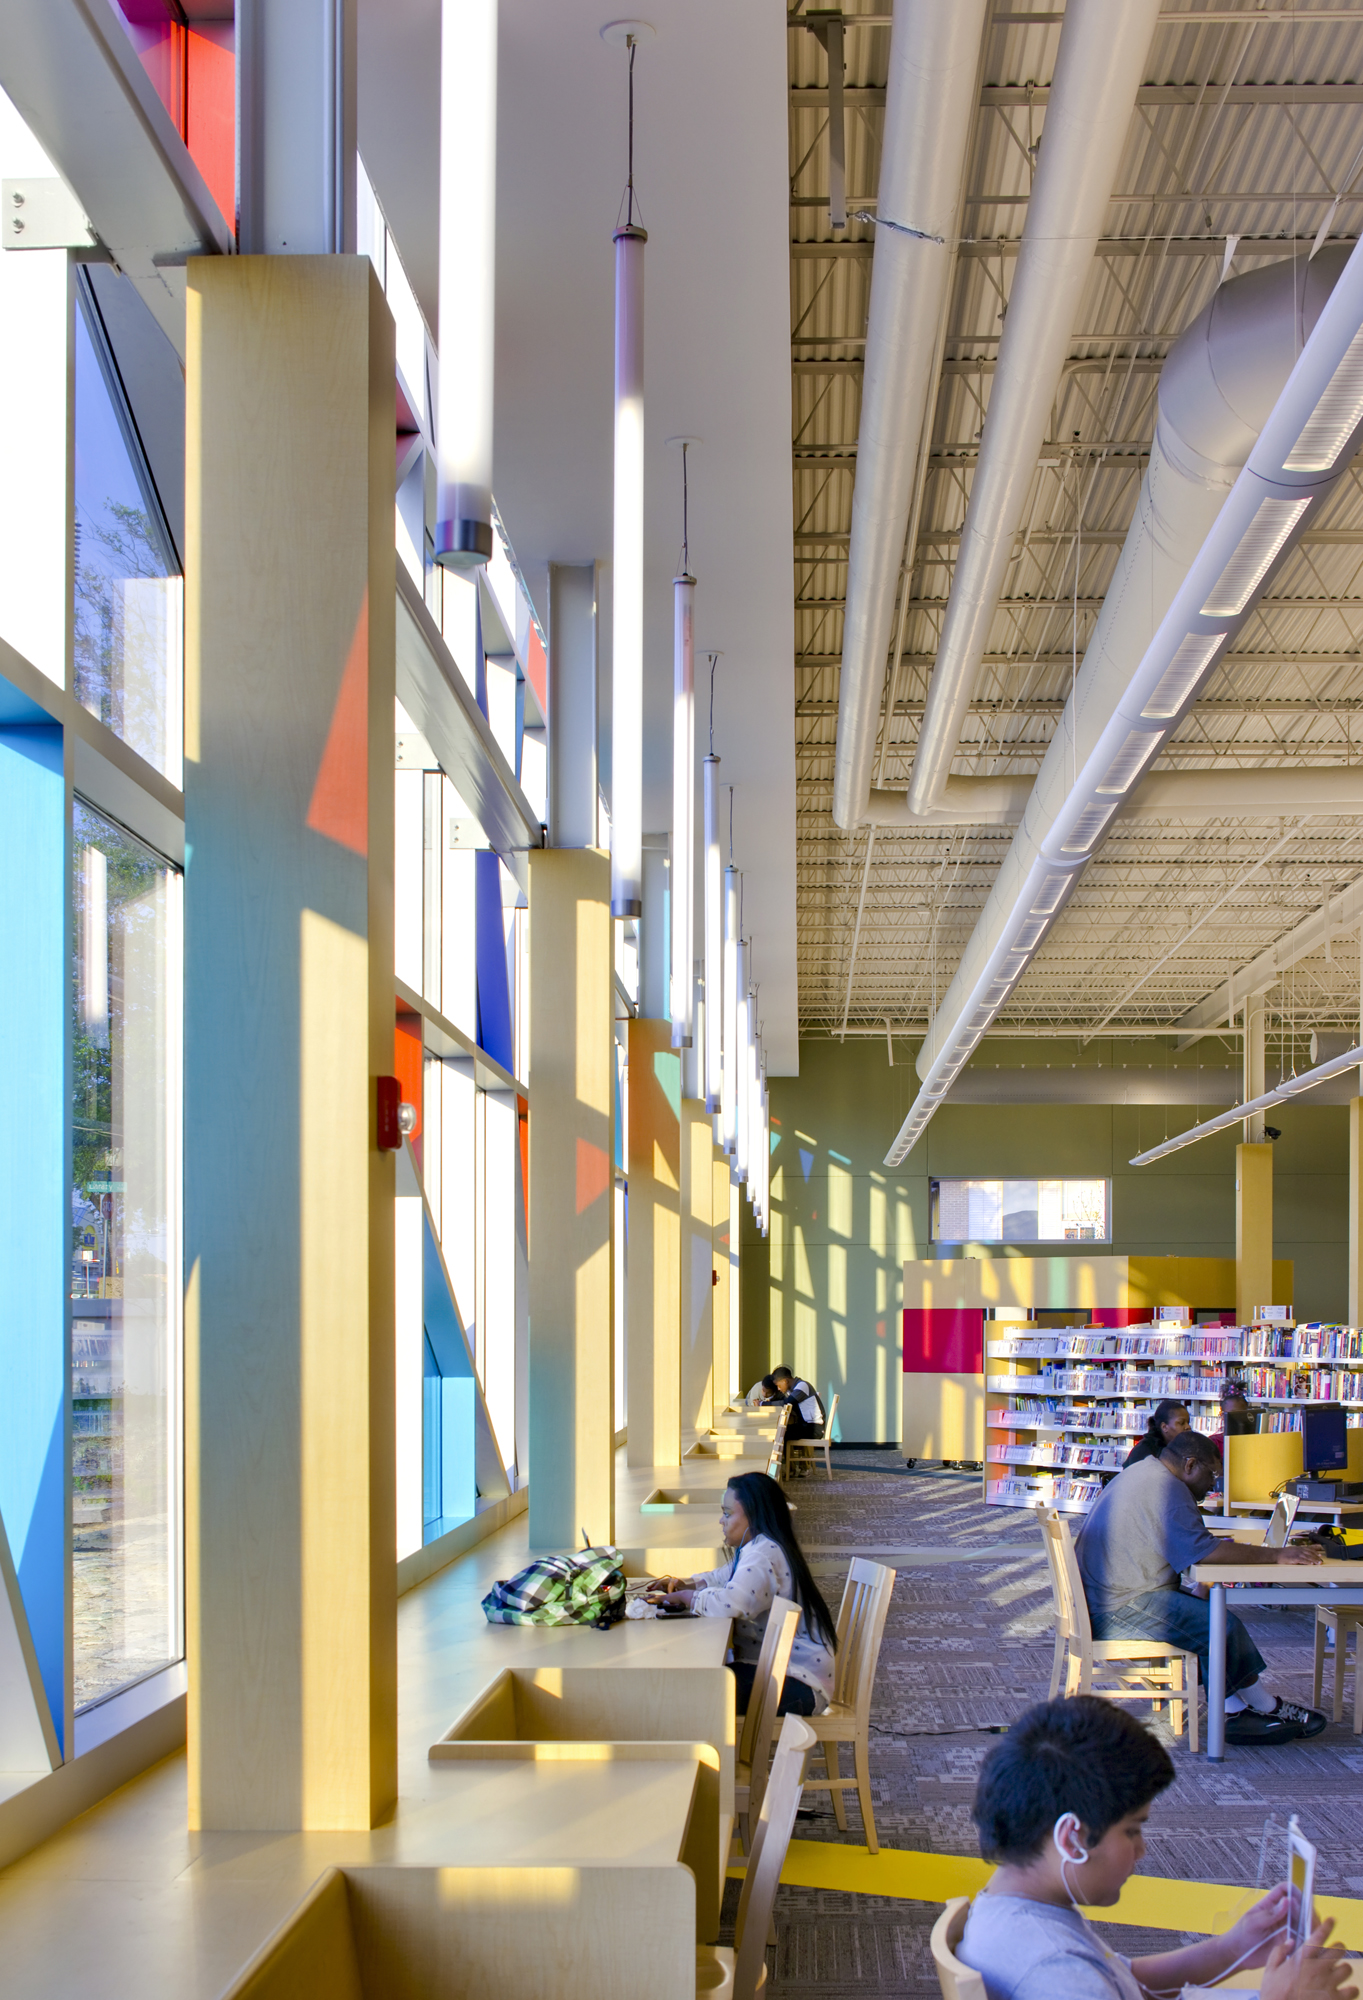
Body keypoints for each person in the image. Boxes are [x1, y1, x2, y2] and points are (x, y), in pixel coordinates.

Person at [957, 1693, 1349, 2000]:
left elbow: (1127, 1982)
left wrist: (1234, 1948)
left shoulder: (1017, 1912)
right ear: (1071, 1838)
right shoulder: (1054, 1969)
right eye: (1132, 1830)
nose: (1141, 1849)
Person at [1075, 1429, 1326, 1744]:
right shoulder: (1167, 1488)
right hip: (1117, 1608)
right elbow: (1204, 1552)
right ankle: (1242, 1712)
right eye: (1212, 1475)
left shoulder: (1146, 1470)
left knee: (1211, 1616)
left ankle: (1251, 1708)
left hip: (1106, 1597)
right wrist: (1276, 1554)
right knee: (1220, 1625)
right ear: (1191, 1464)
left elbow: (1191, 1546)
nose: (1213, 1484)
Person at [653, 1470, 837, 1715]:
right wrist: (688, 1586)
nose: (722, 1521)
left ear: (754, 1517)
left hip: (798, 1683)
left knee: (696, 1691)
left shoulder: (762, 1555)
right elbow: (722, 1576)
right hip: (786, 1670)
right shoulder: (760, 1546)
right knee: (700, 1684)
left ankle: (719, 1752)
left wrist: (689, 1598)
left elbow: (733, 1603)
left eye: (727, 1514)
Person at [1121, 1398, 1190, 1470]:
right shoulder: (1145, 1451)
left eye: (1188, 1423)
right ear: (1164, 1427)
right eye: (1182, 1423)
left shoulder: (1177, 1446)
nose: (1188, 1427)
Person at [767, 1365, 826, 1443]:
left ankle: (780, 1455)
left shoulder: (802, 1386)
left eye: (778, 1385)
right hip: (806, 1426)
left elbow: (787, 1402)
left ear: (785, 1381)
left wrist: (763, 1404)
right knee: (780, 1430)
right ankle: (782, 1455)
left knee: (781, 1433)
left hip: (815, 1428)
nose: (778, 1388)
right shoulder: (792, 1389)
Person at [1210, 1383, 1256, 1458]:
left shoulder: (1254, 1441)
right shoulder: (1214, 1443)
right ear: (1222, 1416)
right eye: (1232, 1415)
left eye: (1241, 1414)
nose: (1237, 1419)